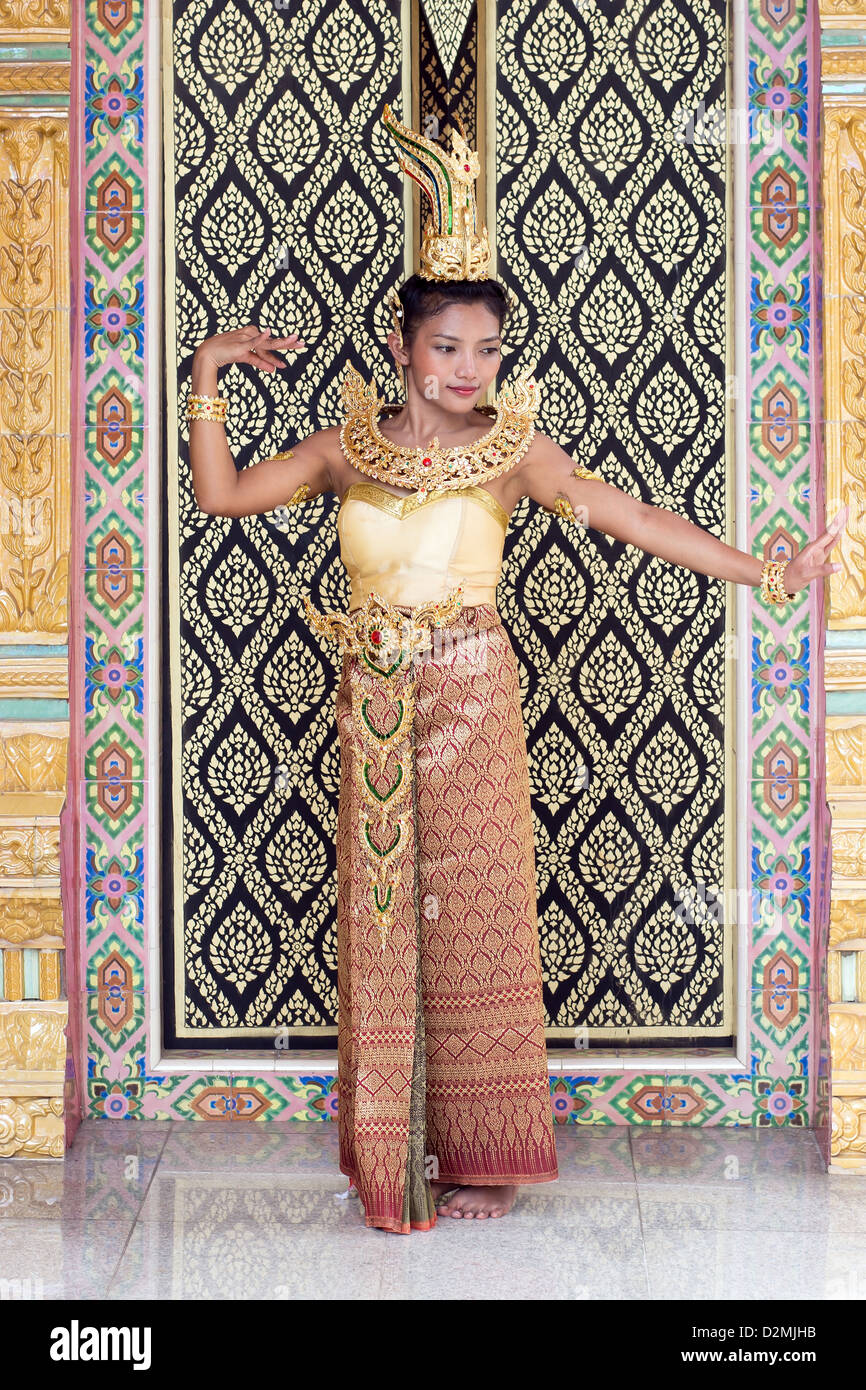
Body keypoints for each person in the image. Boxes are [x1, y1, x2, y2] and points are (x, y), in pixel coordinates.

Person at [186, 106, 846, 1234]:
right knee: (383, 922)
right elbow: (221, 496)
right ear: (402, 347)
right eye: (446, 346)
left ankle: (488, 1158)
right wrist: (208, 370)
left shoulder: (511, 450)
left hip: (474, 692)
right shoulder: (348, 447)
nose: (466, 368)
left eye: (486, 349)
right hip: (372, 706)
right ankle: (389, 1157)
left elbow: (629, 514)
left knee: (479, 920)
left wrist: (768, 571)